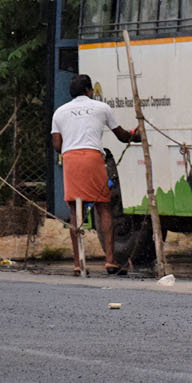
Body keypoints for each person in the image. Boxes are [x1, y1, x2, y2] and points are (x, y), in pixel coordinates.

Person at [50, 74, 141, 276]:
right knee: (103, 207)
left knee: (75, 210)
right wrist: (135, 136)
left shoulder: (59, 112)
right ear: (89, 90)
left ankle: (77, 263)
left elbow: (57, 145)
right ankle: (110, 261)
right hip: (93, 158)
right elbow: (121, 135)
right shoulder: (102, 108)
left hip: (71, 159)